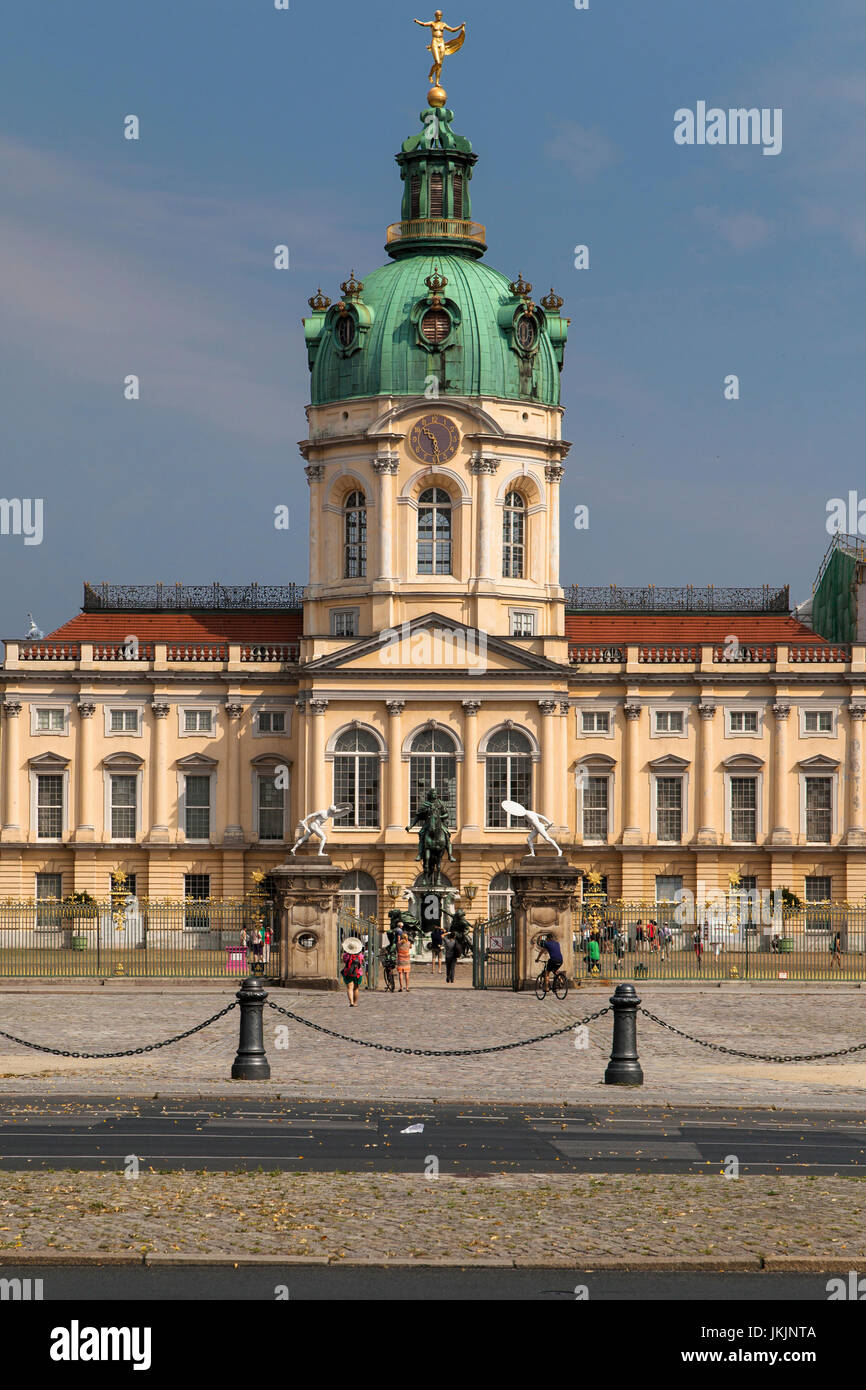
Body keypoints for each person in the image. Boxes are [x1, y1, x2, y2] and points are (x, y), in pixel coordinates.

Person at [340, 935, 365, 1007]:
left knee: (349, 988)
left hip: (348, 972)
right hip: (358, 973)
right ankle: (355, 1002)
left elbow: (344, 961)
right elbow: (362, 962)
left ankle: (351, 1002)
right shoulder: (360, 955)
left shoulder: (345, 955)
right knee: (356, 988)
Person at [395, 928, 412, 992]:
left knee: (400, 973)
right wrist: (407, 939)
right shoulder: (408, 943)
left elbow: (398, 943)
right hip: (407, 959)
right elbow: (410, 947)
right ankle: (407, 987)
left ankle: (401, 987)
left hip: (400, 959)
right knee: (407, 974)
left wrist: (399, 938)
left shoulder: (398, 943)